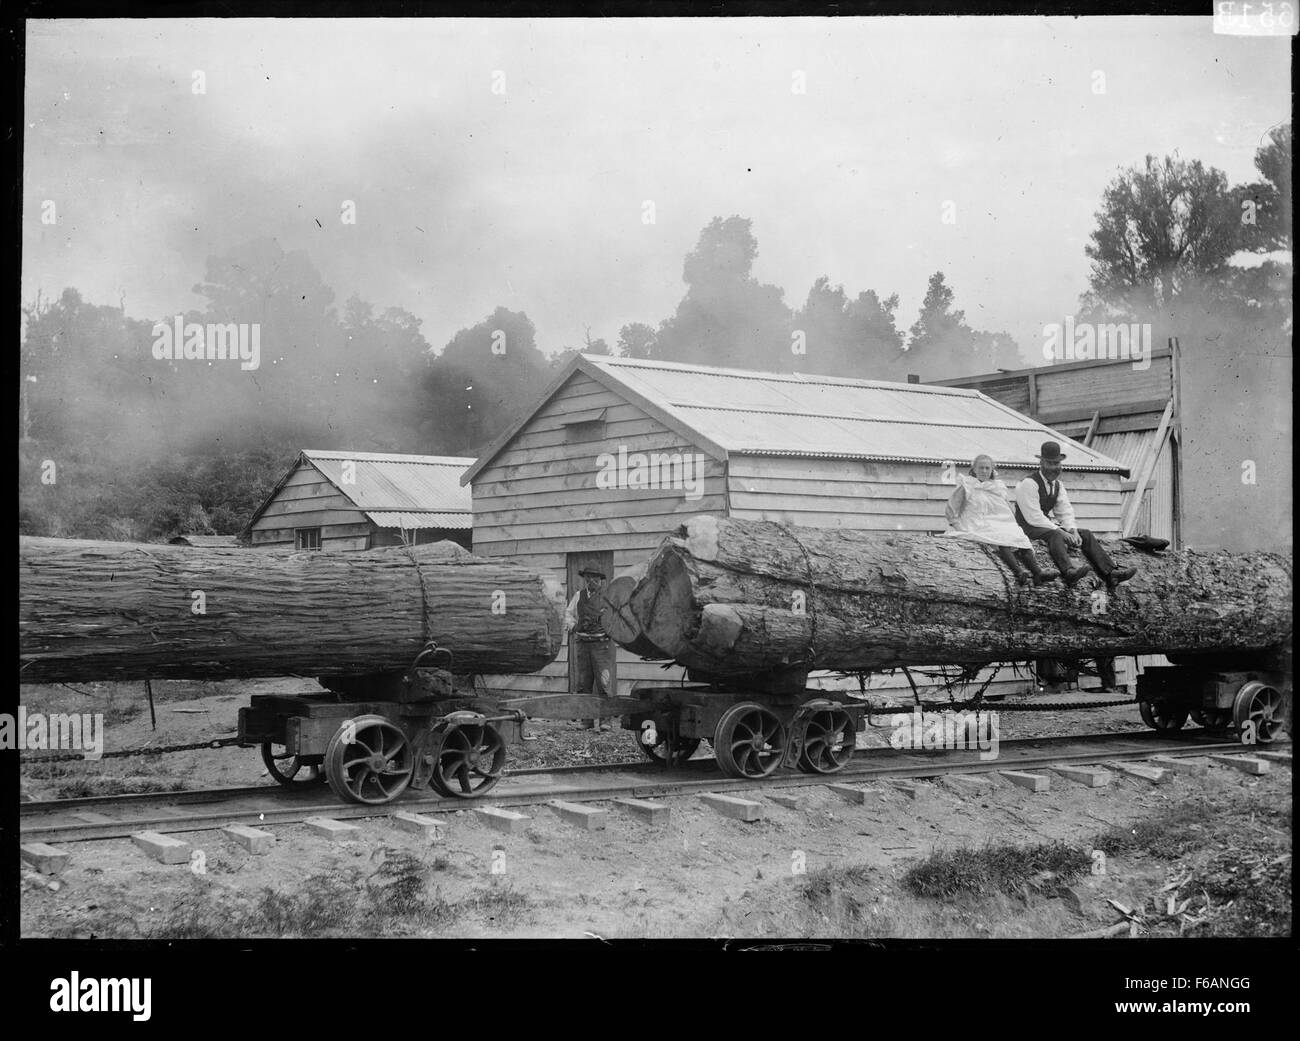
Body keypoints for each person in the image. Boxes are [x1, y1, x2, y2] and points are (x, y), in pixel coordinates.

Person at [1013, 441, 1137, 589]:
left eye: (1057, 464)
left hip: (1045, 526)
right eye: (1050, 463)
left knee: (1086, 534)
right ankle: (1069, 572)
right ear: (1041, 463)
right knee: (1056, 535)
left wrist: (1072, 530)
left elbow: (1064, 511)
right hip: (1027, 527)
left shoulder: (1058, 485)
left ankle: (1111, 574)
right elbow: (1033, 516)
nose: (1054, 468)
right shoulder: (1028, 483)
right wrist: (1059, 531)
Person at [944, 454, 1057, 587]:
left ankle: (1038, 572)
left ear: (992, 470)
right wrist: (958, 526)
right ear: (974, 469)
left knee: (1017, 537)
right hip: (974, 523)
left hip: (996, 522)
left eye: (987, 468)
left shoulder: (997, 486)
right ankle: (1019, 572)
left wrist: (1012, 525)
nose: (984, 471)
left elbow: (1008, 508)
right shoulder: (967, 485)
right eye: (981, 468)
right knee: (1001, 539)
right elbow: (951, 508)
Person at [563, 567, 613, 730]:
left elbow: (616, 618)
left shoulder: (607, 598)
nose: (592, 582)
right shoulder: (579, 596)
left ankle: (605, 721)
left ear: (600, 581)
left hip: (601, 645)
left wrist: (608, 629)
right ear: (585, 579)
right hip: (583, 644)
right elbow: (568, 614)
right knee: (584, 683)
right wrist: (573, 626)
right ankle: (587, 720)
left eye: (596, 579)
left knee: (603, 683)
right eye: (589, 578)